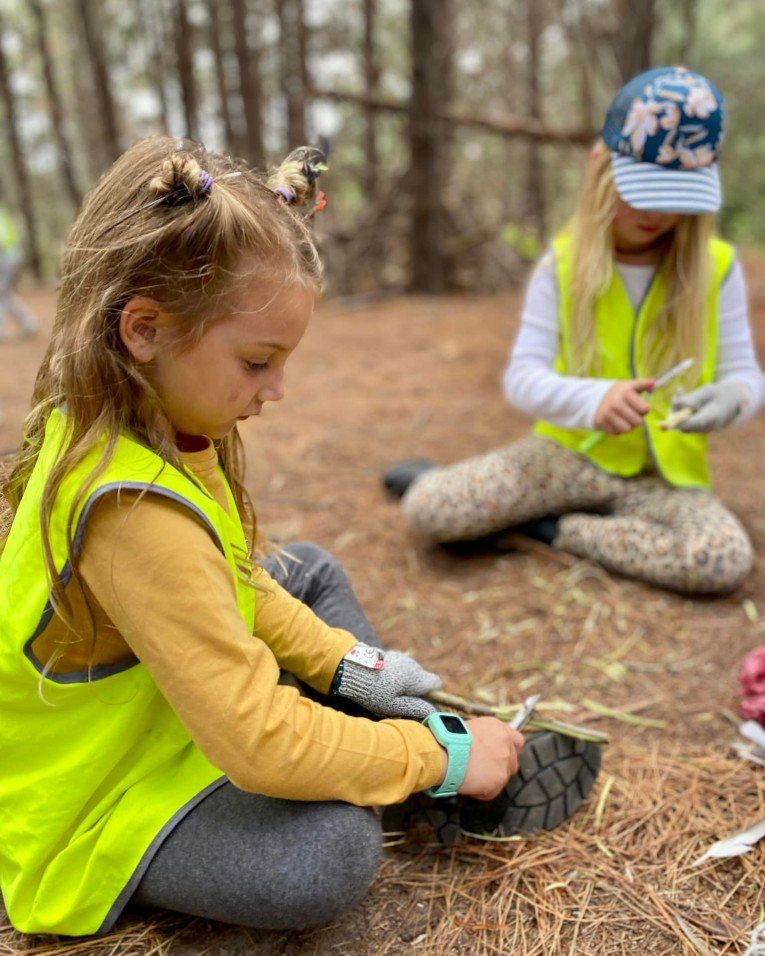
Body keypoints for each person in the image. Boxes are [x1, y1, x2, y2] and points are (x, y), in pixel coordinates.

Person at [0, 137, 600, 938]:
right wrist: (431, 762)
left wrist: (352, 668)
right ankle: (432, 765)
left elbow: (238, 577)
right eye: (257, 362)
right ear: (143, 329)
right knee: (327, 854)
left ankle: (384, 744)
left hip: (174, 701)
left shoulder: (150, 417)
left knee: (306, 572)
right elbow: (251, 739)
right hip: (98, 788)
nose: (276, 389)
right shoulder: (131, 511)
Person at [385, 67, 764, 595]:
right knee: (431, 510)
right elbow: (523, 378)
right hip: (568, 457)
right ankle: (446, 482)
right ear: (600, 166)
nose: (658, 211)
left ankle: (551, 529)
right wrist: (592, 399)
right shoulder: (560, 267)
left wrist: (735, 397)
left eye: (676, 195)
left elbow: (745, 375)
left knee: (721, 558)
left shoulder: (717, 268)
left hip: (660, 482)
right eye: (644, 189)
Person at [0, 203, 37, 343]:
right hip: (11, 257)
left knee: (1, 292)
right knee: (4, 293)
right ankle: (28, 323)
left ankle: (2, 331)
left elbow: (2, 240)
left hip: (7, 258)